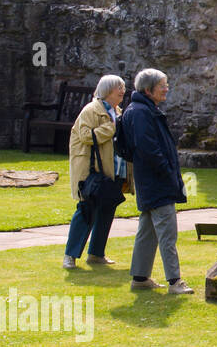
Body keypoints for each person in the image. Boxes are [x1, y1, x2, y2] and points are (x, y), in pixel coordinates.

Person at [124, 68, 193, 295]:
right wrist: (166, 172)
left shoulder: (140, 109)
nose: (166, 88)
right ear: (148, 89)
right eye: (162, 85)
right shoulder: (141, 112)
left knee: (148, 231)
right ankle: (175, 281)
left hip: (150, 180)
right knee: (167, 232)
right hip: (156, 181)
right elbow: (149, 149)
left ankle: (140, 277)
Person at [63, 74, 127, 269]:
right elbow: (85, 136)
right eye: (119, 87)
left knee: (107, 208)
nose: (122, 91)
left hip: (111, 170)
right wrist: (111, 127)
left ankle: (96, 254)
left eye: (123, 87)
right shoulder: (91, 110)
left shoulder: (117, 111)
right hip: (91, 171)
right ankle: (70, 256)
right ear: (108, 90)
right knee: (86, 211)